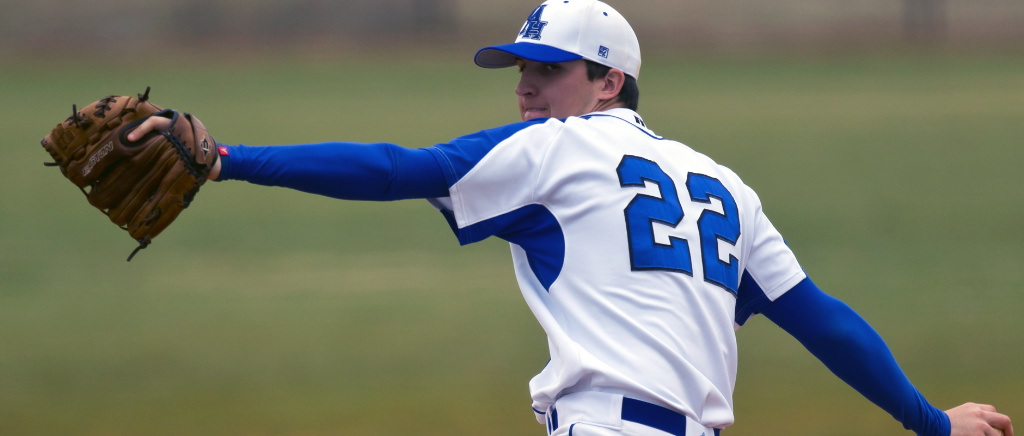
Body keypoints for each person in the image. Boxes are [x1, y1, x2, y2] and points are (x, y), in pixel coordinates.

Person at [130, 1, 1013, 434]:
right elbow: (824, 320)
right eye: (519, 69)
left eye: (547, 70)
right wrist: (932, 423)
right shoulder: (723, 185)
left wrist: (229, 158)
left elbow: (401, 169)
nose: (524, 87)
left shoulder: (558, 148)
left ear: (608, 82)